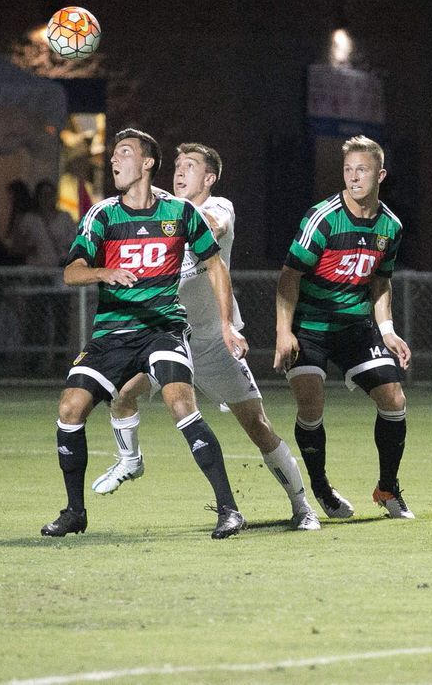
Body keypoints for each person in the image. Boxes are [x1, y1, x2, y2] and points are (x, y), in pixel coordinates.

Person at [91, 143, 320, 531]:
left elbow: (214, 226)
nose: (180, 172)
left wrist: (163, 208)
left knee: (258, 427)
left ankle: (303, 506)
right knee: (122, 394)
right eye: (177, 166)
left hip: (214, 343)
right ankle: (130, 460)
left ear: (209, 178)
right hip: (166, 339)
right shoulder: (158, 214)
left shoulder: (217, 207)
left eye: (191, 166)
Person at [40, 128, 247, 540]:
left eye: (124, 153)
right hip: (112, 334)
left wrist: (225, 324)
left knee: (179, 402)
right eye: (114, 155)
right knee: (69, 410)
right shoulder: (103, 215)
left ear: (147, 163)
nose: (114, 161)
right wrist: (103, 271)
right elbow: (71, 271)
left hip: (162, 329)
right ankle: (75, 512)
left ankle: (229, 509)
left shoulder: (180, 213)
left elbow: (215, 264)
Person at [274, 135, 414, 520]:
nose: (354, 177)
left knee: (394, 401)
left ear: (380, 174)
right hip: (311, 327)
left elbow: (381, 280)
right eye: (348, 170)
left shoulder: (390, 225)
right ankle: (321, 488)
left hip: (356, 328)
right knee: (311, 402)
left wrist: (386, 329)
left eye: (362, 170)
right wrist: (284, 333)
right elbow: (289, 277)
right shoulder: (323, 218)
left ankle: (387, 489)